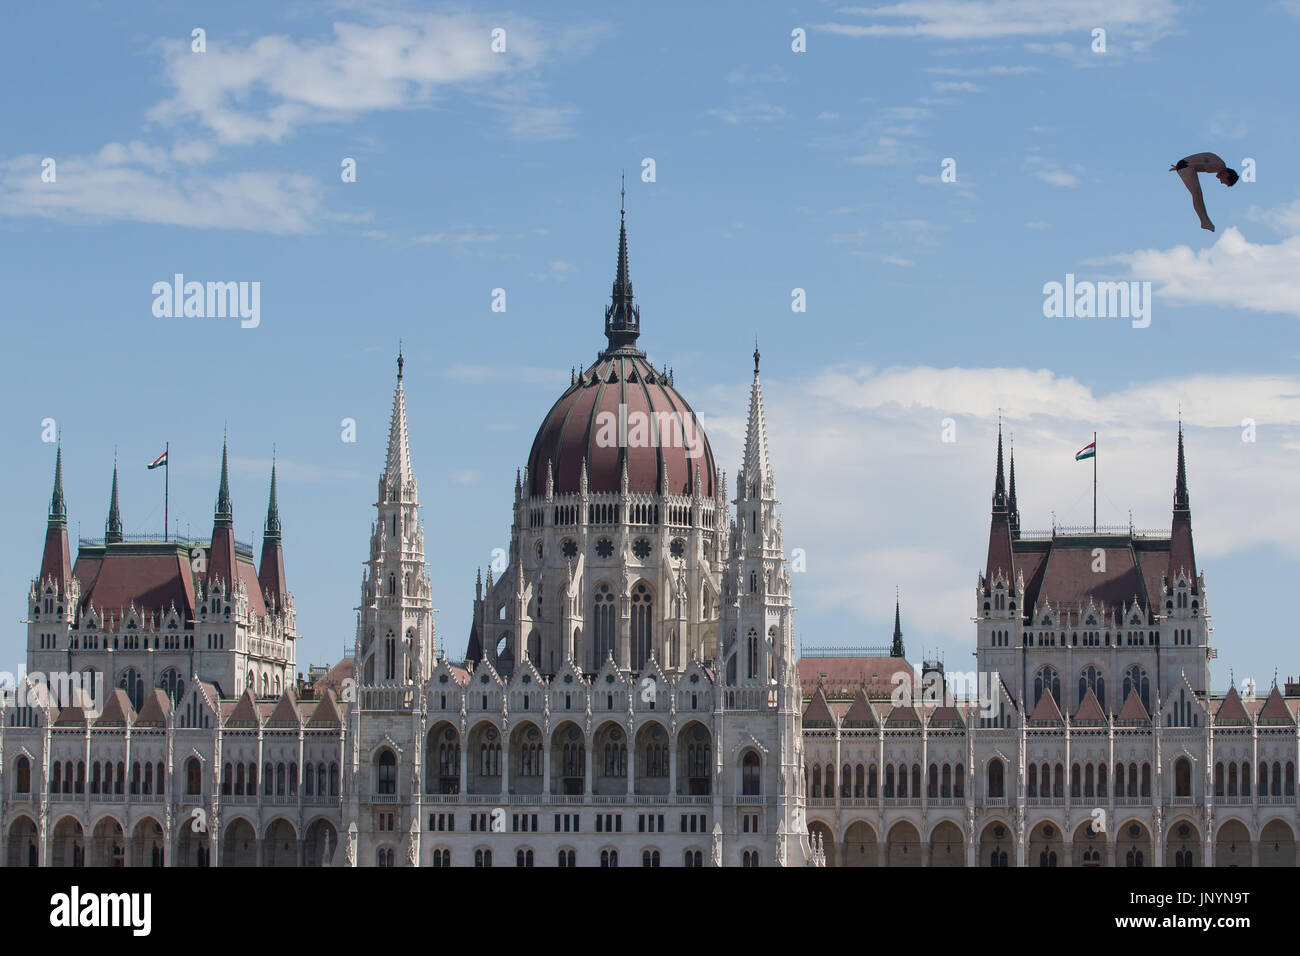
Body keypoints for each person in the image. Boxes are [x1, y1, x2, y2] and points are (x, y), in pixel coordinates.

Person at [1169, 152, 1239, 231]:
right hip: (1186, 166)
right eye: (1225, 181)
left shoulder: (1220, 165)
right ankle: (1205, 222)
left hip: (1184, 165)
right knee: (1197, 193)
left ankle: (1205, 221)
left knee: (1196, 193)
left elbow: (1202, 161)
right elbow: (1201, 165)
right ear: (1227, 175)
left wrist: (1180, 166)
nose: (1221, 182)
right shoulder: (1220, 166)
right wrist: (1186, 166)